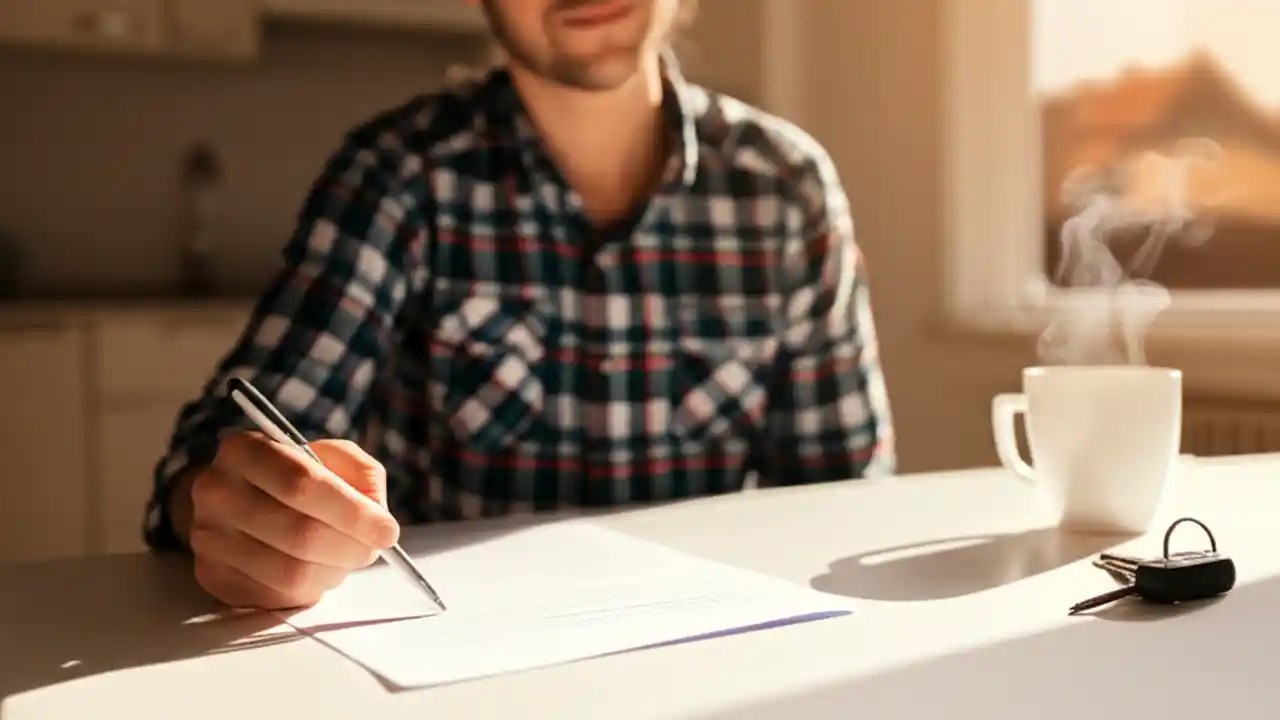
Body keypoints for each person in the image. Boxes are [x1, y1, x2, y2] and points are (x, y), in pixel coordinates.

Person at [143, 0, 895, 610]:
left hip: (716, 667)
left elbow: (842, 500)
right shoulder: (400, 176)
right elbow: (225, 446)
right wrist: (231, 508)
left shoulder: (786, 187)